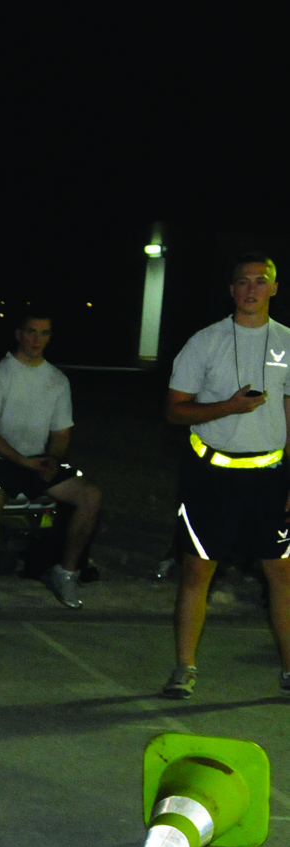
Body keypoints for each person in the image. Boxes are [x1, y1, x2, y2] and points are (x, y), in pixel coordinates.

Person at [160, 256, 290, 699]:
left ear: (275, 288)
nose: (251, 290)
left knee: (283, 576)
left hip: (269, 479)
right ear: (231, 290)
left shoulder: (288, 343)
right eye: (242, 282)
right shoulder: (205, 342)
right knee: (197, 573)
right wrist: (229, 407)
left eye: (260, 282)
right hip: (210, 477)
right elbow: (175, 410)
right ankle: (184, 668)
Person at [0, 310, 98, 612]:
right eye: (31, 331)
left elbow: (62, 432)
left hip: (35, 461)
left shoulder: (57, 380)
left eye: (45, 333)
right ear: (18, 334)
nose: (37, 339)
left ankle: (65, 572)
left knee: (90, 494)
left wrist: (52, 458)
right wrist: (23, 462)